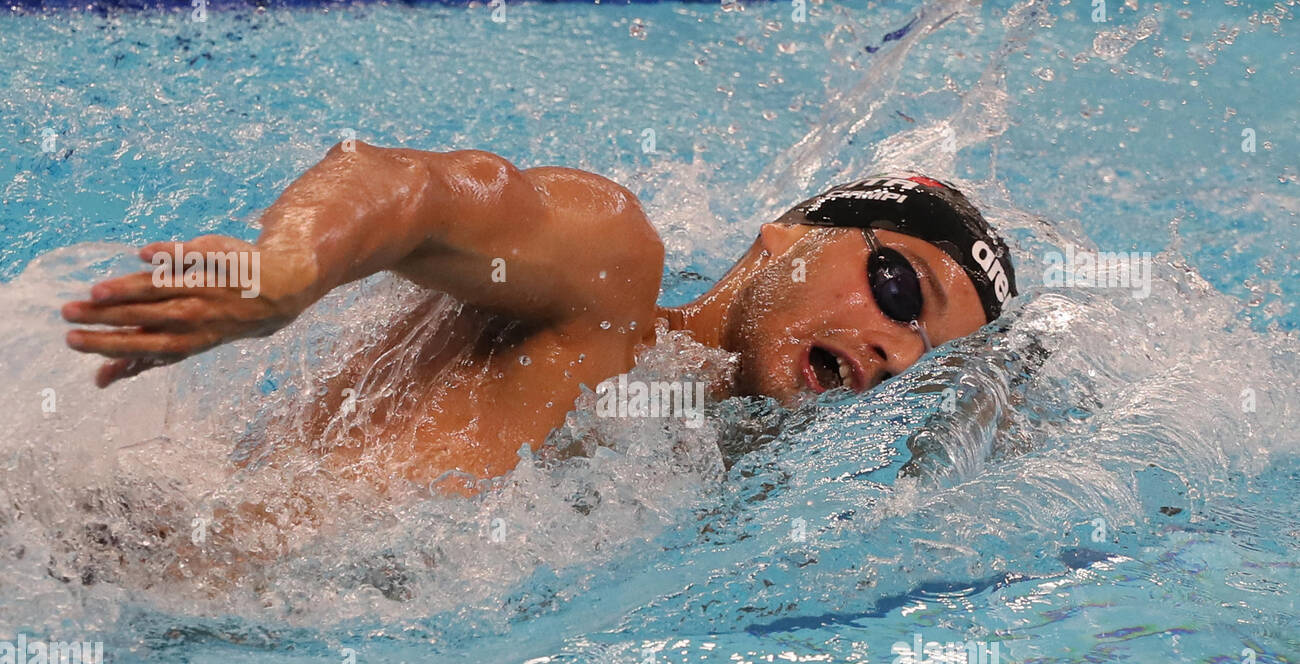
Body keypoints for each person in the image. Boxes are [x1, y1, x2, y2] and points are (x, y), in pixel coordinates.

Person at [61, 145, 1016, 487]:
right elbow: (421, 189)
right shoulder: (610, 279)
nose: (897, 348)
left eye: (927, 358)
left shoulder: (715, 459)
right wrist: (287, 269)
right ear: (785, 238)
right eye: (898, 289)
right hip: (110, 573)